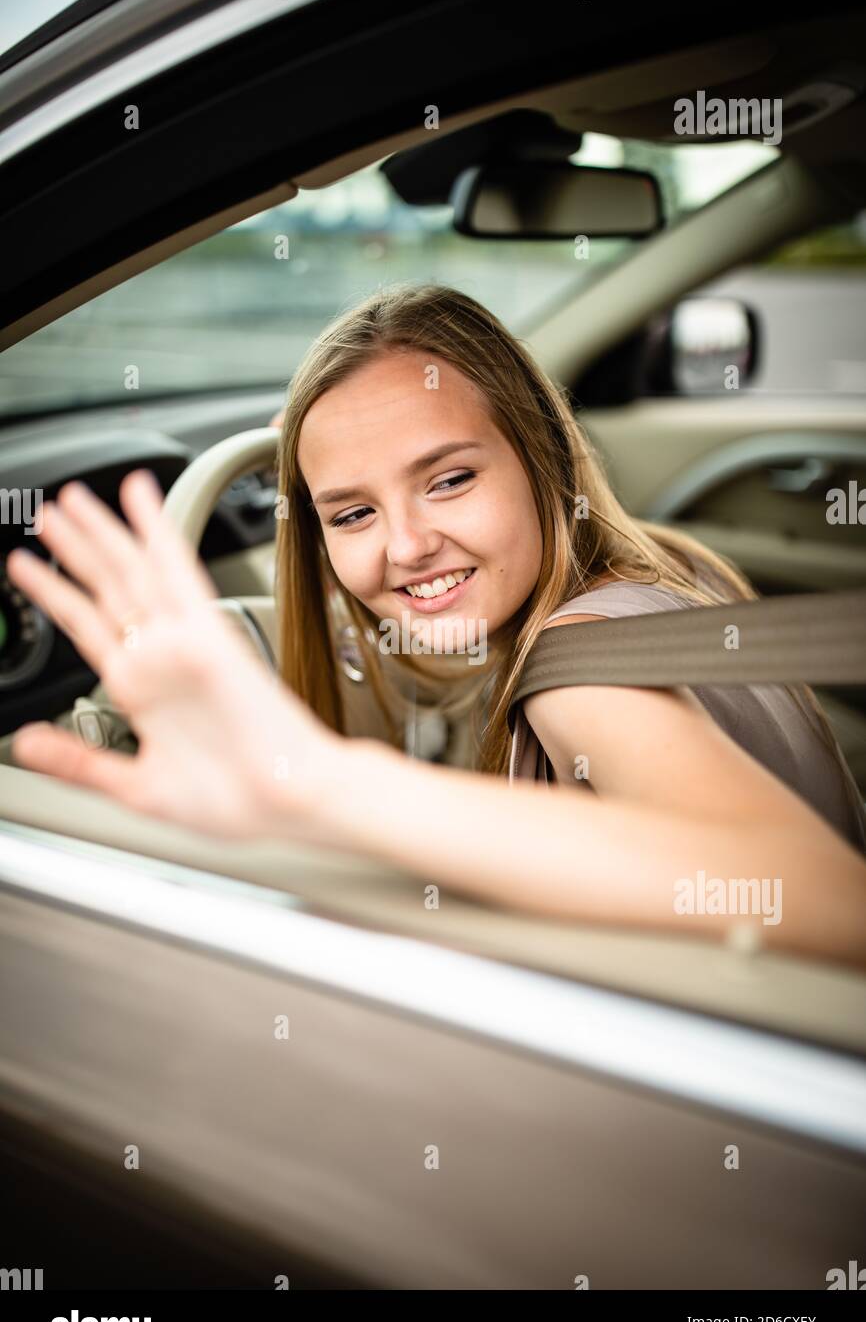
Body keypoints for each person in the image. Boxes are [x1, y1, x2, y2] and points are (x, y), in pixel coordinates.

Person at [8, 284, 866, 970]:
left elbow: (818, 897)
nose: (407, 546)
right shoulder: (673, 571)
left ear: (545, 458)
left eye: (449, 480)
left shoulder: (581, 675)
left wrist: (311, 782)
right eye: (351, 515)